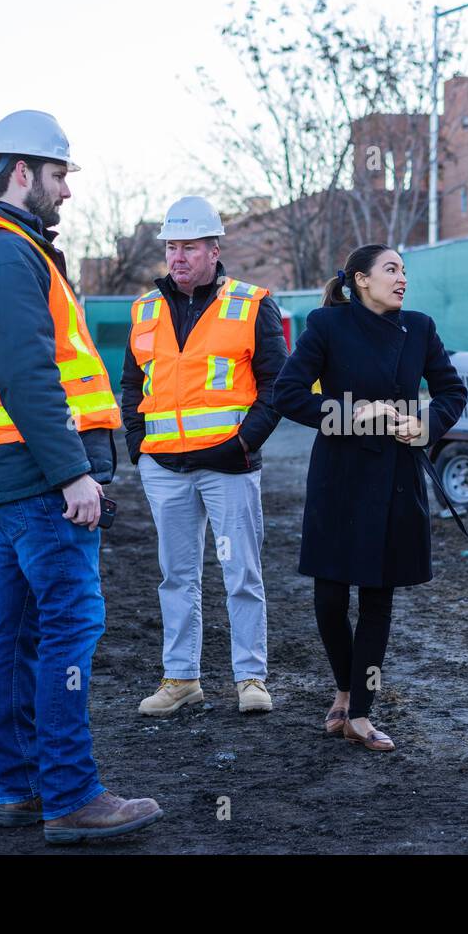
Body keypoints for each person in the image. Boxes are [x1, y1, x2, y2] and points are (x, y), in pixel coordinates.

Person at [0, 109, 159, 844]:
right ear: (24, 171)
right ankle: (69, 795)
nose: (67, 190)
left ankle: (23, 787)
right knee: (68, 625)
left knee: (17, 632)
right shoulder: (4, 253)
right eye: (60, 173)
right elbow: (27, 373)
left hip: (8, 475)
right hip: (37, 477)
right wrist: (73, 474)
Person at [272, 244, 467, 751]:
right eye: (391, 270)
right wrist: (348, 413)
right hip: (338, 477)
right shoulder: (327, 325)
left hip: (397, 479)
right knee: (330, 598)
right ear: (361, 279)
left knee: (378, 599)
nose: (402, 279)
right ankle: (344, 689)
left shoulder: (420, 328)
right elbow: (288, 393)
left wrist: (423, 424)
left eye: (404, 271)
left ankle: (360, 711)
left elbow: (452, 392)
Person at [121, 196, 286, 718]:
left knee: (241, 572)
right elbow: (132, 384)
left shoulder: (253, 303)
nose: (178, 257)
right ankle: (181, 678)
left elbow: (276, 385)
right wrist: (139, 445)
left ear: (215, 249)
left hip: (229, 467)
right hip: (164, 467)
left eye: (189, 246)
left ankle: (251, 678)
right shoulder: (145, 309)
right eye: (172, 247)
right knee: (176, 576)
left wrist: (243, 444)